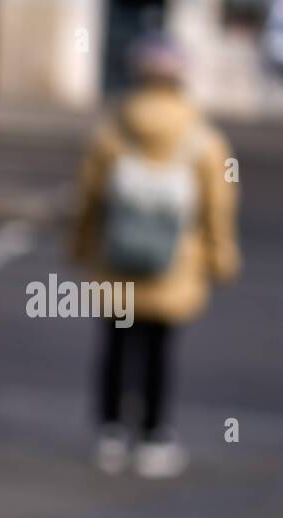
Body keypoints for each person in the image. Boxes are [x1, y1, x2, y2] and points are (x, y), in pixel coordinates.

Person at [70, 32, 240, 478]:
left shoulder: (112, 133)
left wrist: (81, 247)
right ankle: (153, 437)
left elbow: (88, 198)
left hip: (118, 259)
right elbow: (217, 205)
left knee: (116, 346)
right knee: (160, 352)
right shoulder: (203, 139)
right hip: (174, 265)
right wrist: (221, 256)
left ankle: (110, 433)